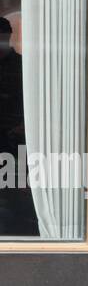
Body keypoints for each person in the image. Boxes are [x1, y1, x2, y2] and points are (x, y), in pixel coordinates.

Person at [0, 16, 38, 237]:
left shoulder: (22, 68)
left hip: (17, 142)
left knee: (17, 196)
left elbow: (35, 104)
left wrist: (24, 126)